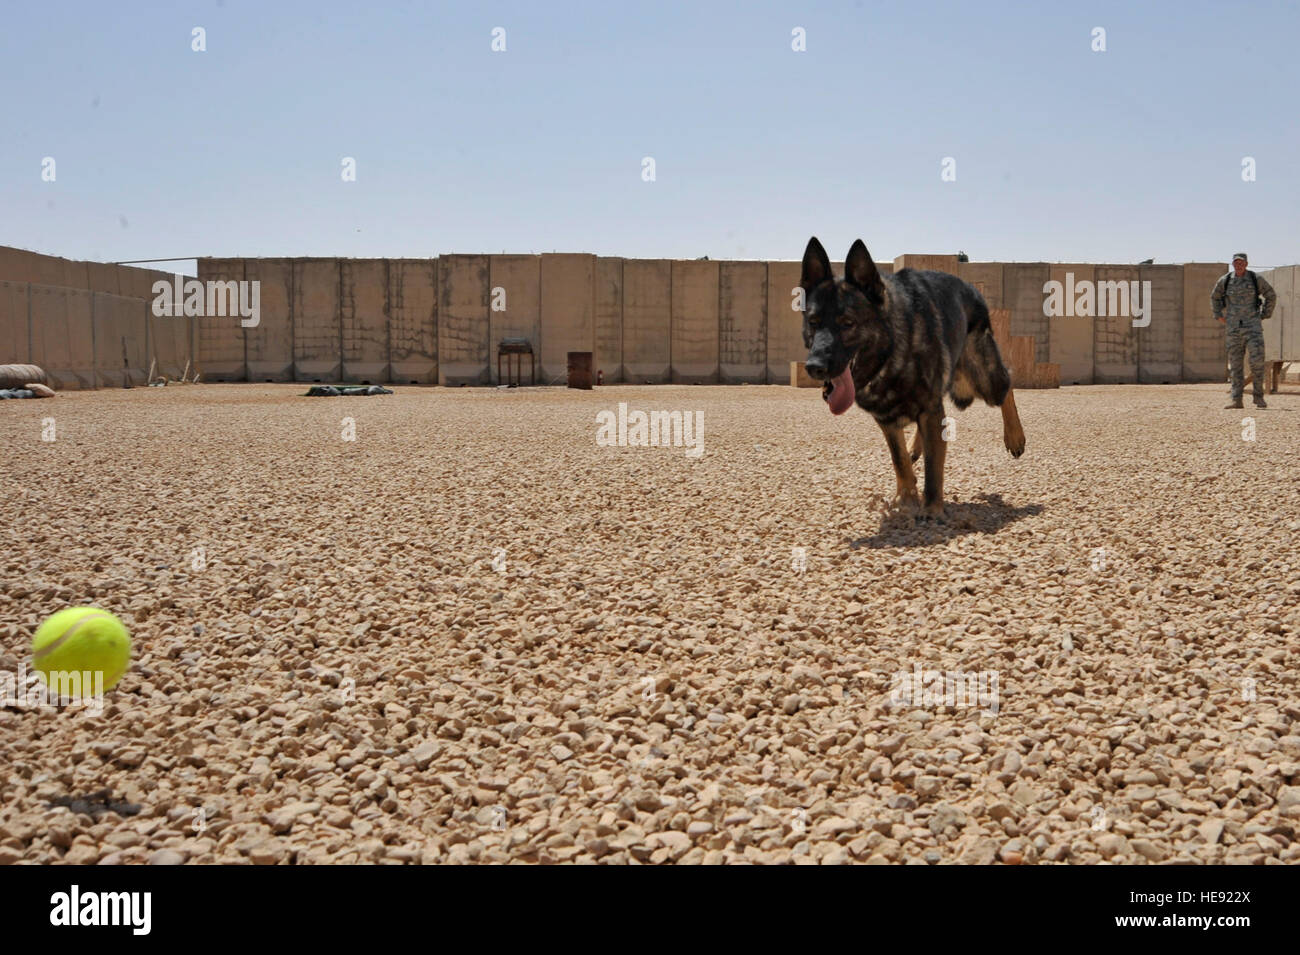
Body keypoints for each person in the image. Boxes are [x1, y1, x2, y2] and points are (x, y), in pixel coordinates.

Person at [1212, 252, 1276, 408]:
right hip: (1233, 329)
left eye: (1241, 263)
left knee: (1257, 362)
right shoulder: (1226, 280)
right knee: (1235, 365)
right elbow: (1215, 297)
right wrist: (1218, 315)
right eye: (1236, 263)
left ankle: (1258, 397)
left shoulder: (1255, 279)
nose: (1238, 265)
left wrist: (1265, 314)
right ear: (1233, 264)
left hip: (1253, 327)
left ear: (1246, 264)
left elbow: (1271, 295)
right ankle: (1236, 400)